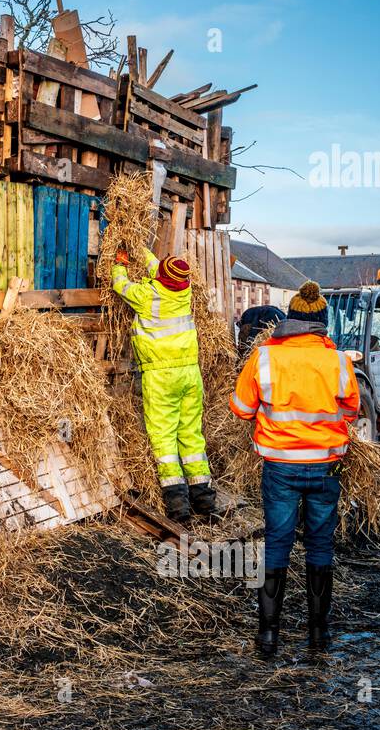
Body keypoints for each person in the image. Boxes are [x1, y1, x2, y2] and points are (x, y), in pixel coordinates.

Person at [230, 281, 360, 655]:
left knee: (277, 544)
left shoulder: (265, 357)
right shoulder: (338, 360)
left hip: (280, 466)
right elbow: (350, 411)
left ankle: (267, 636)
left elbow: (240, 408)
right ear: (322, 323)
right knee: (320, 544)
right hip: (326, 467)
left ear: (290, 320)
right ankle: (319, 636)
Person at [112, 247, 217, 524]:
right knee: (192, 435)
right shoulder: (185, 291)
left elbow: (120, 285)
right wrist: (141, 249)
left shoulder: (147, 296)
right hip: (190, 374)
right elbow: (158, 268)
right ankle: (204, 500)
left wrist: (120, 263)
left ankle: (178, 505)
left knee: (164, 437)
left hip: (161, 376)